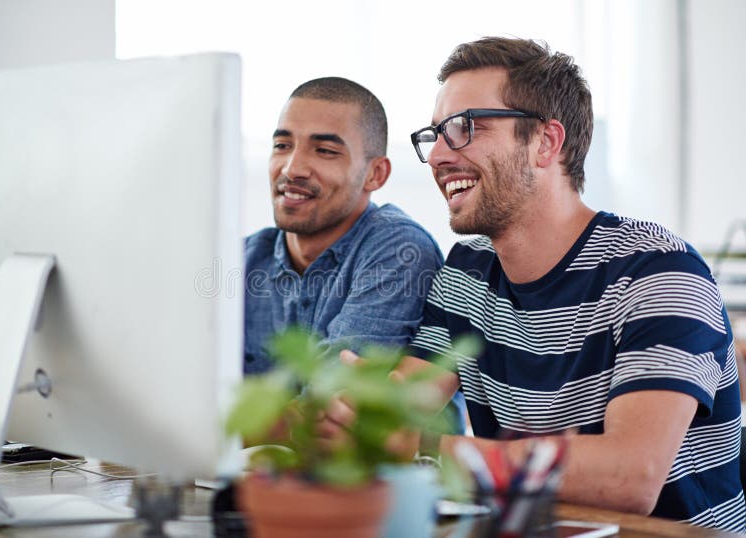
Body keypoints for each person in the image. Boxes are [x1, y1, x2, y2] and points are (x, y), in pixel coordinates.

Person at [323, 38, 744, 530]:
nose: (436, 155)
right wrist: (356, 407)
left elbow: (630, 478)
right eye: (435, 134)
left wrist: (427, 447)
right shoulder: (469, 270)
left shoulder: (660, 272)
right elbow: (403, 405)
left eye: (464, 128)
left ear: (545, 142)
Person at [244, 77, 465, 432]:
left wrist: (218, 422)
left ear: (375, 174)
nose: (291, 168)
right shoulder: (245, 257)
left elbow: (328, 418)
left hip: (393, 484)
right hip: (266, 482)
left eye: (325, 151)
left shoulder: (400, 250)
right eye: (282, 145)